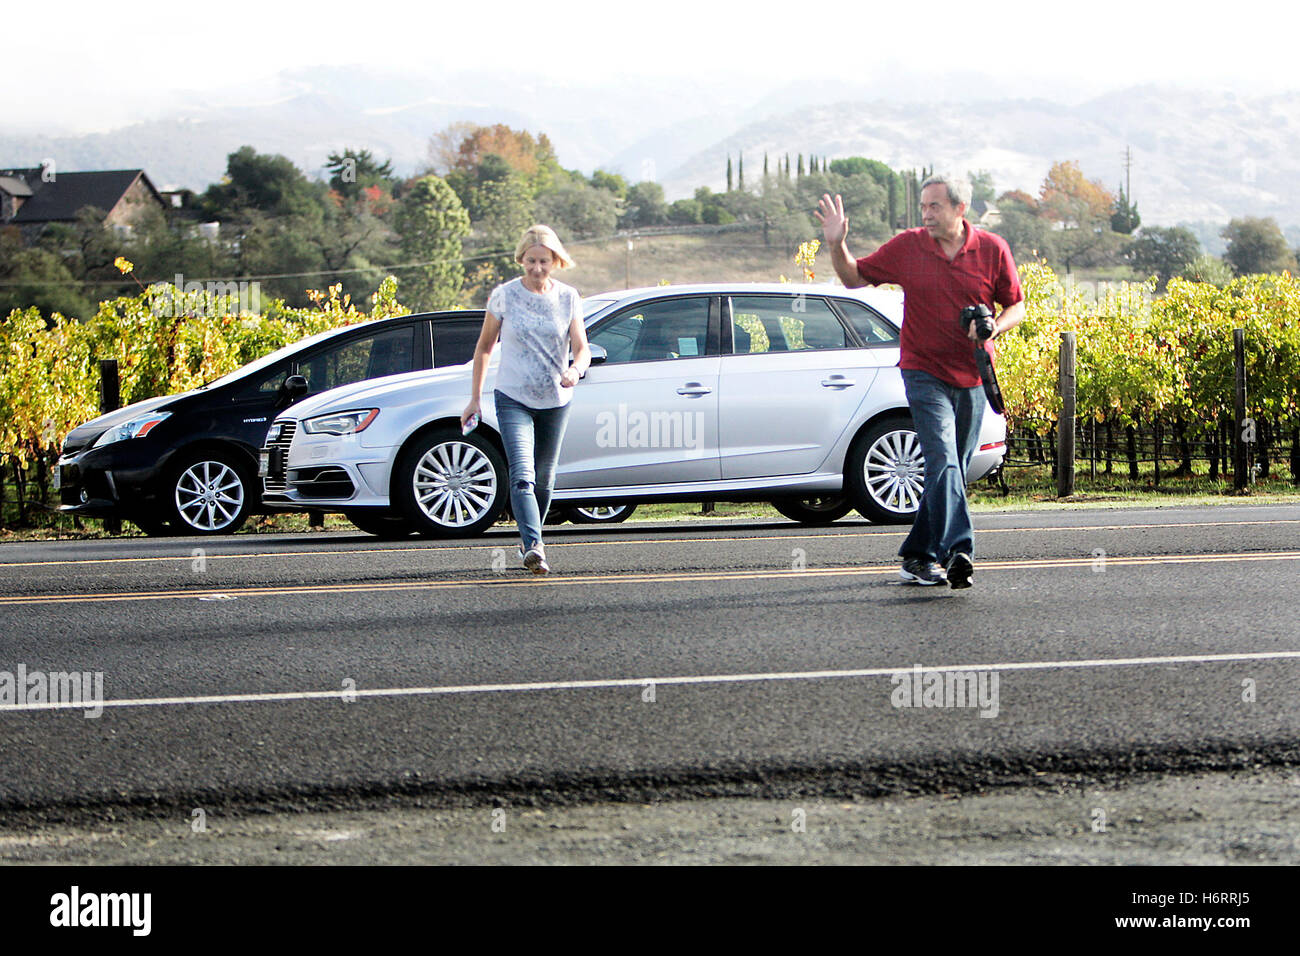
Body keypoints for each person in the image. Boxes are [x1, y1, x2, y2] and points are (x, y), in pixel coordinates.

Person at [816, 175, 1025, 589]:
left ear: (960, 209)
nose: (925, 214)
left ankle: (917, 554)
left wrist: (994, 328)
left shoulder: (991, 249)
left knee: (954, 469)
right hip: (922, 371)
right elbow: (853, 278)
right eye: (923, 206)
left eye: (935, 207)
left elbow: (1016, 304)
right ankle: (958, 551)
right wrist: (836, 244)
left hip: (973, 375)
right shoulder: (908, 245)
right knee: (942, 460)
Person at [462, 225, 590, 574]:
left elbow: (582, 348)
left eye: (544, 261)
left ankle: (527, 538)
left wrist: (575, 370)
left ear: (555, 261)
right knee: (522, 476)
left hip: (556, 398)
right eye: (531, 261)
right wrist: (474, 398)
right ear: (521, 259)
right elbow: (485, 347)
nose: (537, 268)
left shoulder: (568, 297)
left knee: (545, 480)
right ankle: (534, 546)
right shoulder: (504, 296)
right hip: (513, 396)